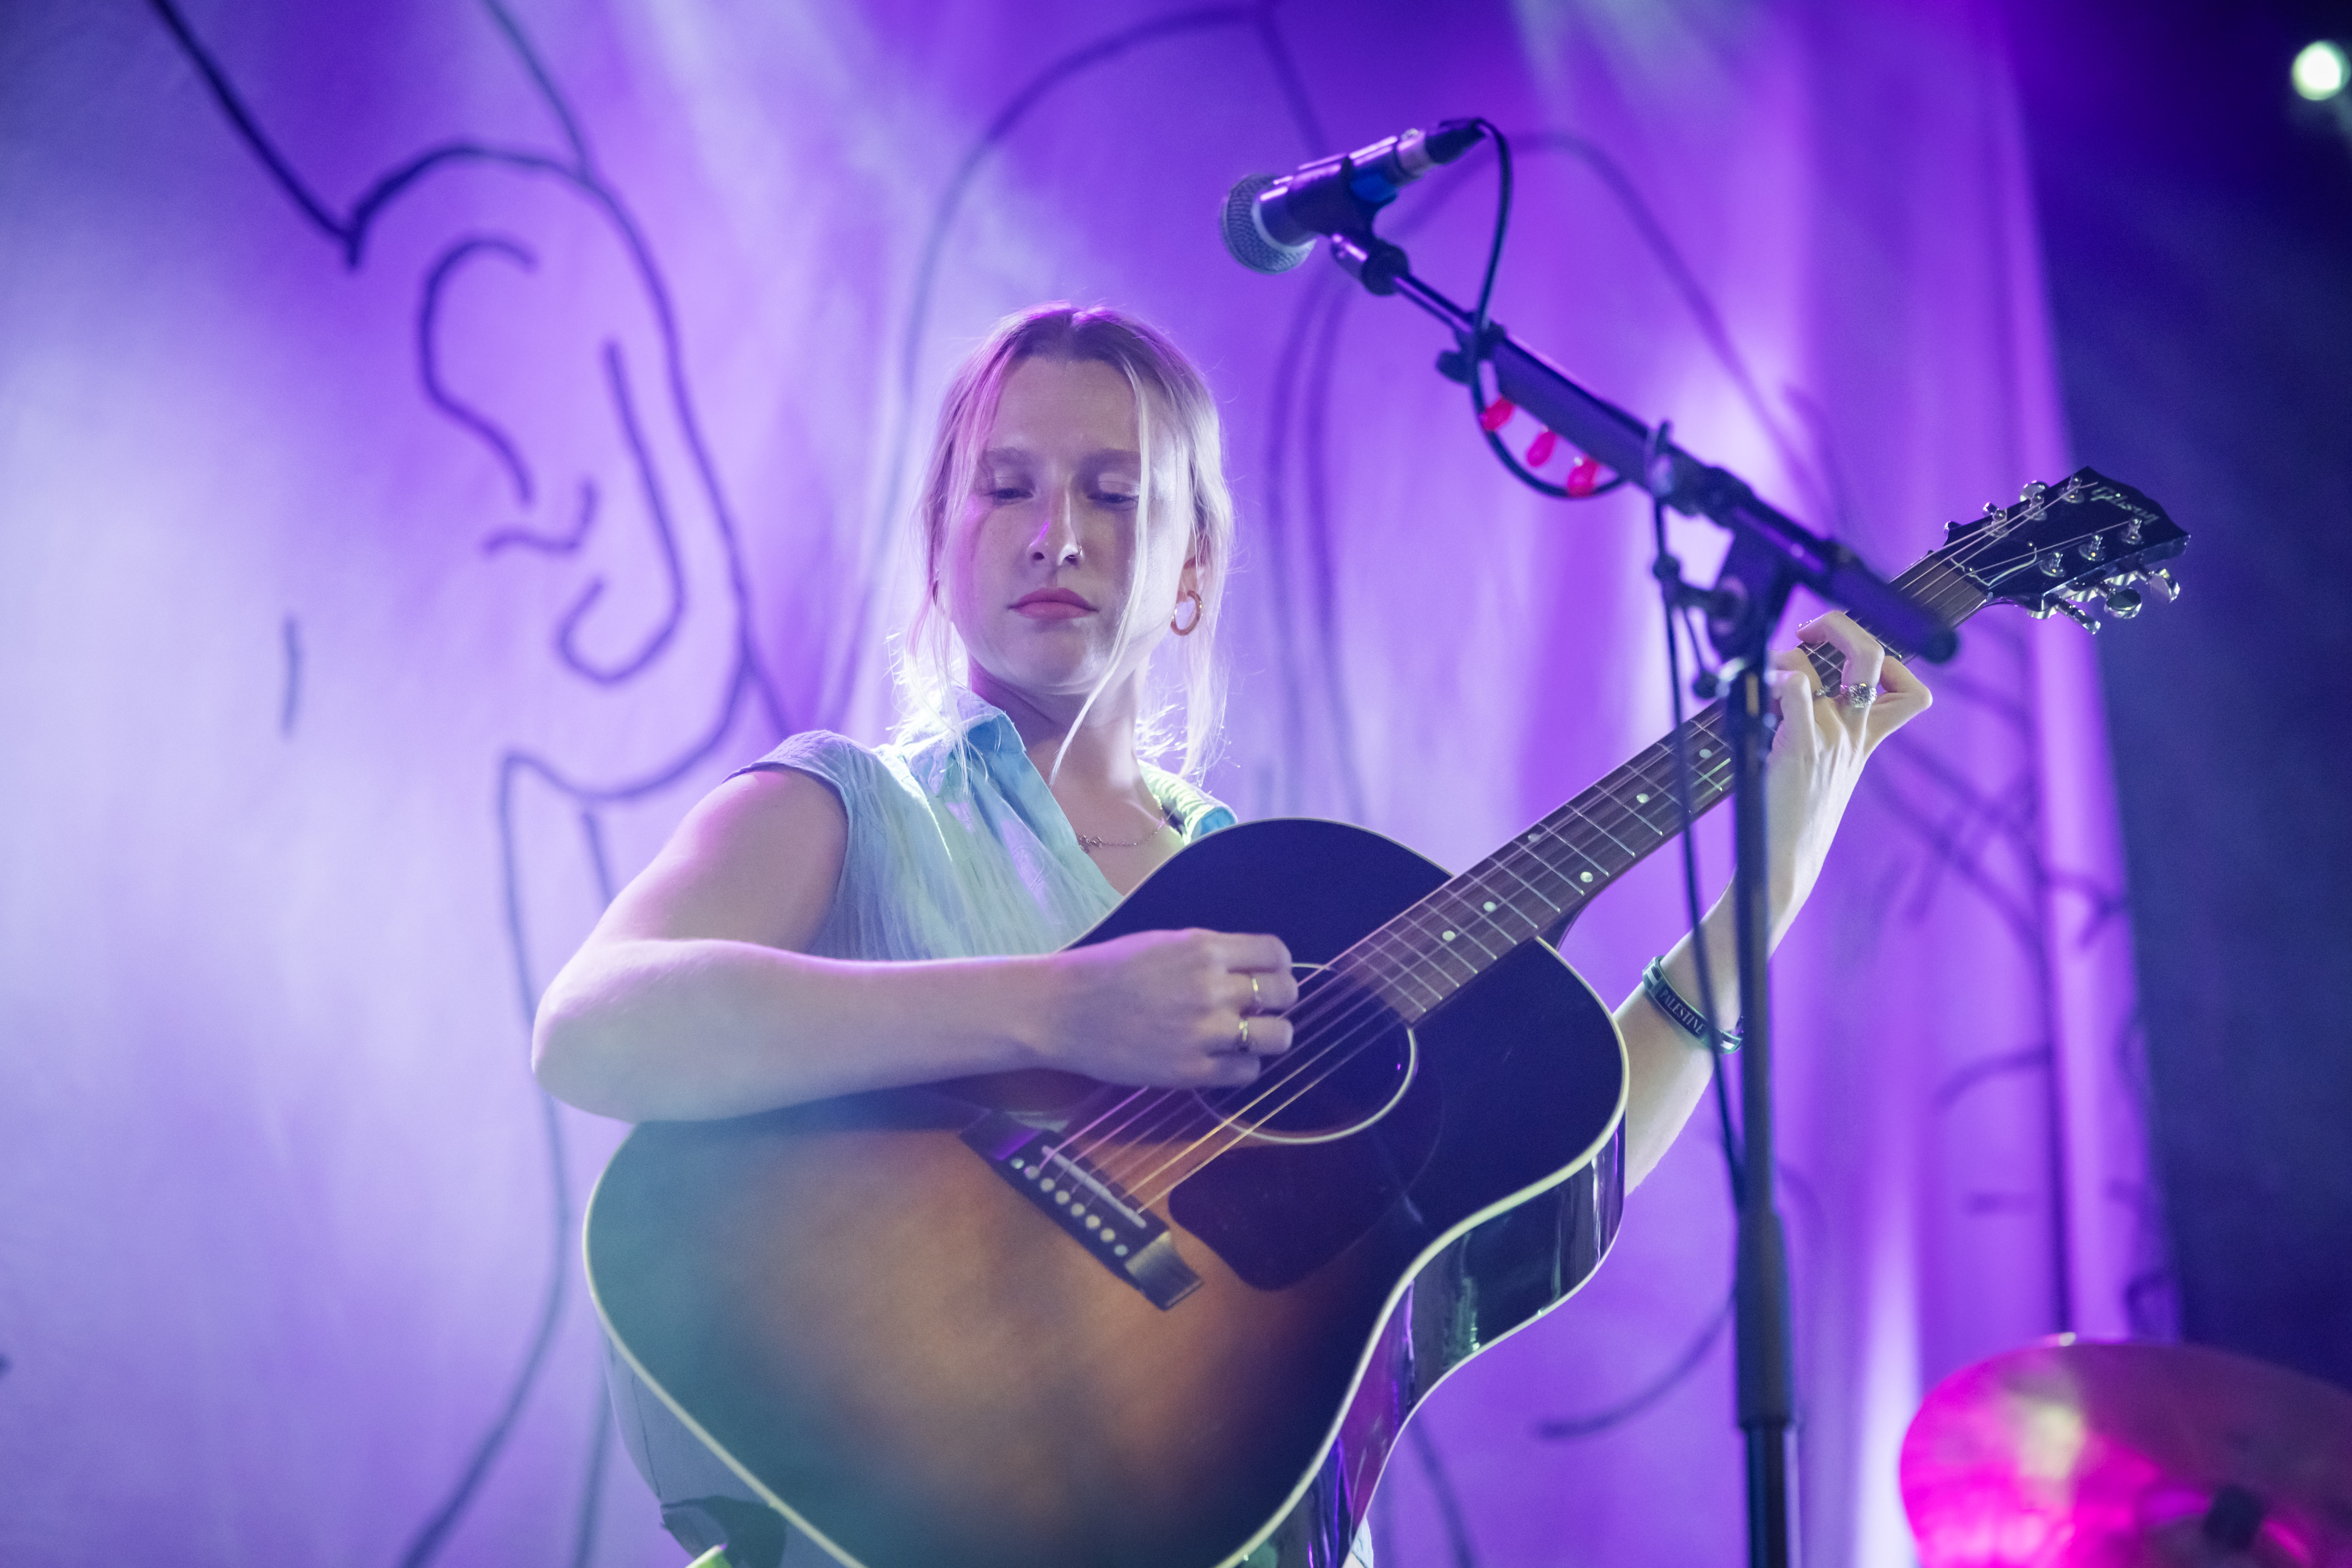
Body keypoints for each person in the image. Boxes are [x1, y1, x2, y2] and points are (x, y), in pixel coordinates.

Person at [530, 303, 1930, 1561]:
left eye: (1117, 495)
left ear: (1193, 568)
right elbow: (597, 1026)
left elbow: (1536, 1186)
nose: (1057, 534)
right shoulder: (846, 804)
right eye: (1007, 487)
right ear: (940, 549)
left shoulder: (1275, 889)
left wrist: (1760, 905)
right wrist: (1061, 1009)